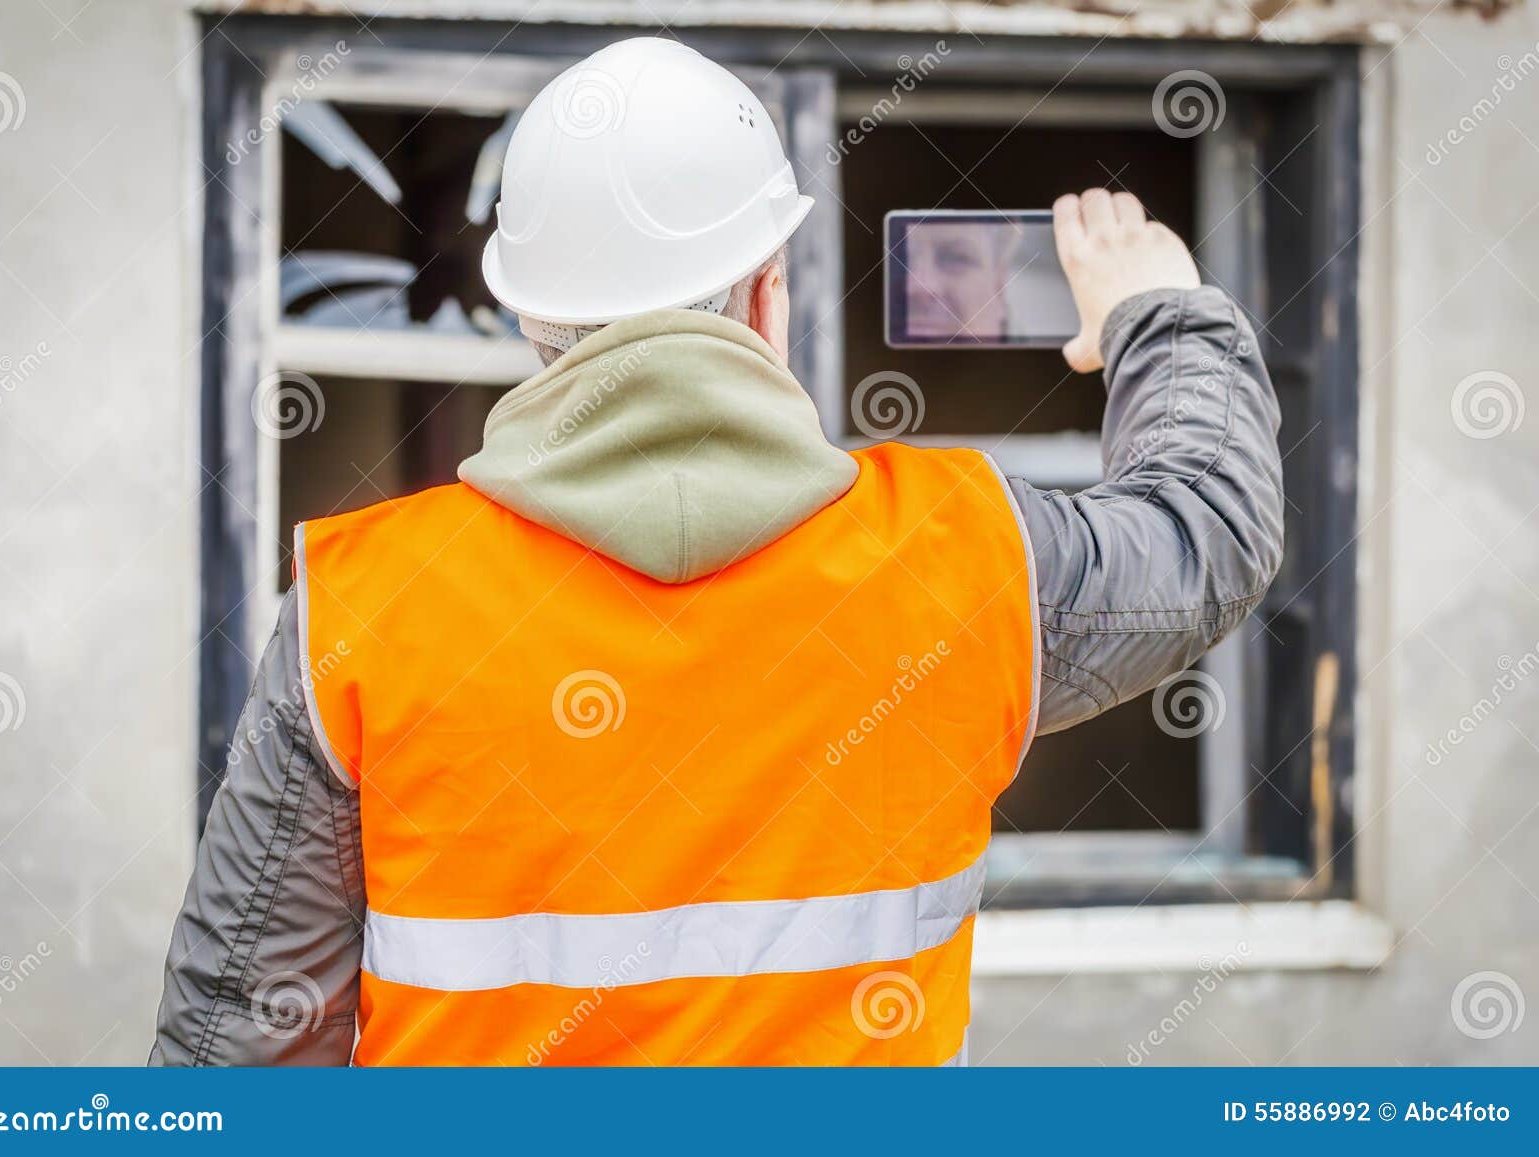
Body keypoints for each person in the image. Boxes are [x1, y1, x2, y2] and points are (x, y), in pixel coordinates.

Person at [152, 37, 1282, 1066]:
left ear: (533, 328)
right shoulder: (966, 556)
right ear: (770, 299)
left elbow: (240, 1035)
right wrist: (1155, 309)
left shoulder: (365, 608)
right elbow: (1207, 527)